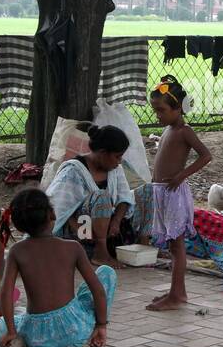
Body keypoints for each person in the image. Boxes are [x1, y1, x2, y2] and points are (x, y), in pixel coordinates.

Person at [0, 189, 114, 347]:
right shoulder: (73, 247)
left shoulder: (17, 251)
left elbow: (5, 293)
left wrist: (12, 331)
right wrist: (101, 325)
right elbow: (98, 291)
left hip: (36, 338)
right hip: (75, 330)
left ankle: (20, 345)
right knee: (106, 273)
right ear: (52, 214)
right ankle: (79, 344)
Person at [146, 75, 212, 311]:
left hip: (173, 192)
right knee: (173, 246)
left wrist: (181, 175)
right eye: (155, 111)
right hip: (163, 192)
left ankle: (177, 295)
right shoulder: (168, 129)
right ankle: (176, 291)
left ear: (178, 108)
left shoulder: (184, 131)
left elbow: (206, 156)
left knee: (177, 245)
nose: (158, 116)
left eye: (161, 110)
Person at [45, 124, 139, 268]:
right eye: (117, 156)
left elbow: (124, 197)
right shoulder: (73, 171)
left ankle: (142, 248)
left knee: (147, 192)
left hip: (109, 229)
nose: (119, 161)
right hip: (79, 232)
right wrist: (78, 228)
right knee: (102, 196)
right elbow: (58, 208)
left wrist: (116, 221)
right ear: (102, 153)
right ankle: (100, 254)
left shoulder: (115, 169)